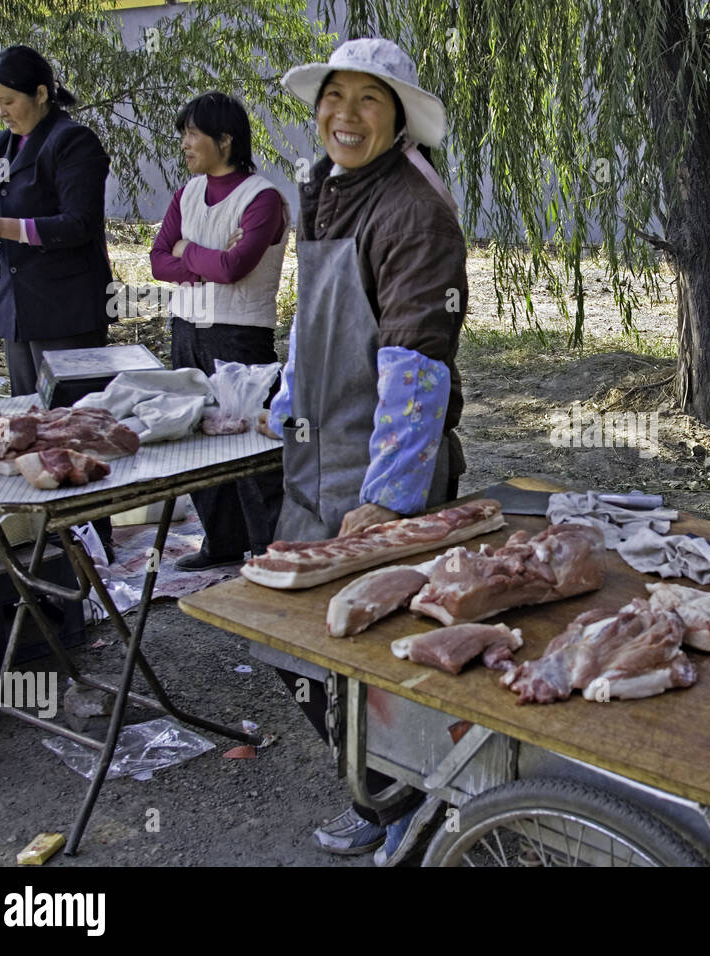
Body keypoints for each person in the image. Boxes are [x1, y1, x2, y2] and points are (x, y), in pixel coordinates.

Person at [263, 38, 468, 861]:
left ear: (399, 118)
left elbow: (419, 365)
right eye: (333, 98)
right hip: (317, 451)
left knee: (379, 659)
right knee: (292, 644)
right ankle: (380, 794)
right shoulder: (322, 185)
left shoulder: (415, 209)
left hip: (385, 467)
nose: (344, 116)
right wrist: (281, 407)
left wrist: (385, 501)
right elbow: (312, 319)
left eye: (367, 101)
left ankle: (414, 811)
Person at [150, 92, 289, 570]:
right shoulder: (186, 192)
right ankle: (221, 541)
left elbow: (235, 267)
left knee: (252, 443)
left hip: (239, 334)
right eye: (183, 133)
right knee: (199, 436)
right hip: (186, 328)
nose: (185, 143)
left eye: (193, 133)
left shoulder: (262, 197)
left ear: (225, 140)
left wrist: (188, 250)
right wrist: (204, 258)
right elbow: (156, 261)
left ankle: (270, 549)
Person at [0, 45, 114, 397]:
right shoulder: (1, 146)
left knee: (73, 419)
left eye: (8, 101)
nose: (0, 112)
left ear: (41, 94)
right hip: (18, 309)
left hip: (67, 308)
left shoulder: (73, 141)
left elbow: (77, 224)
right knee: (29, 417)